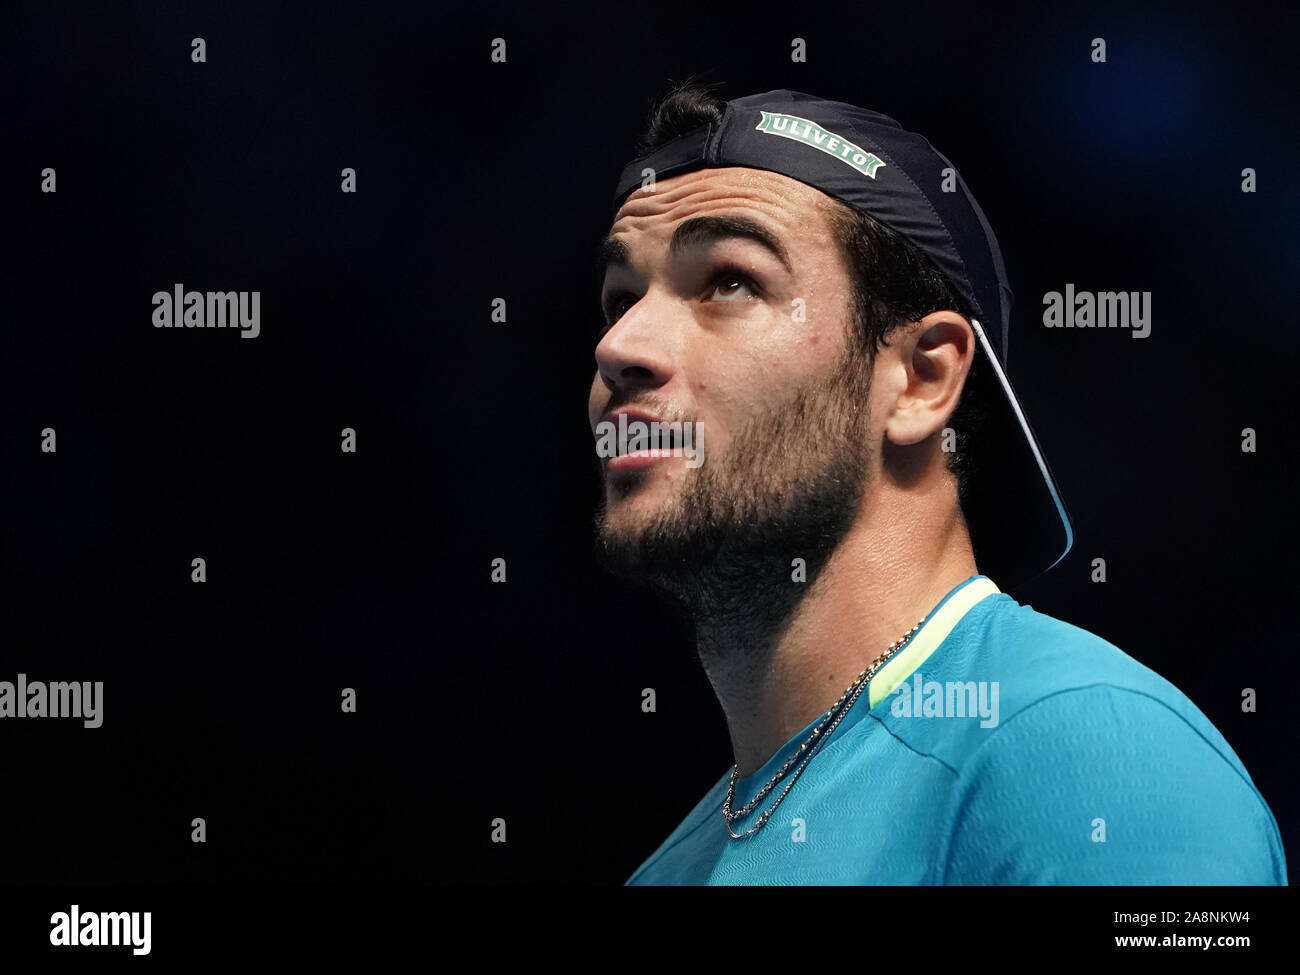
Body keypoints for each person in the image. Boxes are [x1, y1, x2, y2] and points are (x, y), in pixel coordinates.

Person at [588, 84, 1287, 884]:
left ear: (922, 378)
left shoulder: (1085, 746)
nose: (620, 343)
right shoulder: (669, 870)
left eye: (729, 280)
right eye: (620, 296)